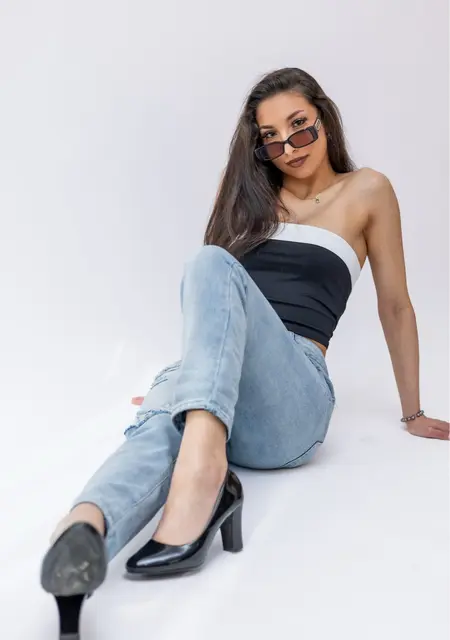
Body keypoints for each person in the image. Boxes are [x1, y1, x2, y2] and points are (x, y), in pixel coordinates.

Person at [40, 67, 449, 639]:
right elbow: (215, 311)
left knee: (210, 264)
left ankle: (201, 481)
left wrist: (412, 411)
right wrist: (187, 380)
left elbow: (396, 306)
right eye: (271, 139)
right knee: (158, 425)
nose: (290, 147)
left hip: (293, 401)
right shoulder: (248, 198)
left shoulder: (367, 191)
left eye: (300, 127)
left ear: (325, 118)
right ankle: (85, 527)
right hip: (223, 395)